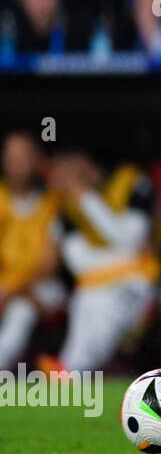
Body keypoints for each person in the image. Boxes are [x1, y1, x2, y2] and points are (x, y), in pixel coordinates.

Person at [37, 150, 161, 374]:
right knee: (86, 303)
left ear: (81, 161)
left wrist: (85, 197)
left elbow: (128, 239)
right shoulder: (64, 203)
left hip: (138, 279)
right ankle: (68, 370)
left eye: (60, 168)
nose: (55, 178)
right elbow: (79, 261)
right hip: (94, 284)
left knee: (104, 308)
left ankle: (71, 371)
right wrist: (121, 256)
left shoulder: (130, 180)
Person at [0, 132, 60, 368]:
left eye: (24, 155)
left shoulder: (52, 202)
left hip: (42, 285)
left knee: (21, 312)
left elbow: (49, 265)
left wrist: (12, 292)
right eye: (11, 155)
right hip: (4, 282)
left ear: (37, 159)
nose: (17, 162)